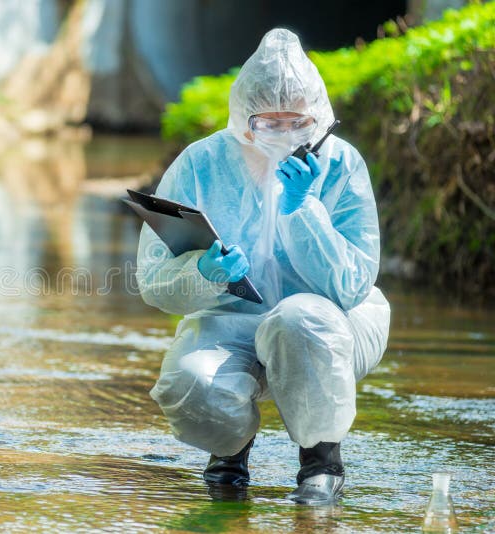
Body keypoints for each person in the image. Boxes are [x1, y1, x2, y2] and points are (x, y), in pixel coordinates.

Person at [135, 28, 391, 505]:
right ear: (243, 119)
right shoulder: (202, 164)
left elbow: (353, 285)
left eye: (298, 123)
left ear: (319, 119)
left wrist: (306, 209)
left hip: (332, 323)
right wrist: (203, 271)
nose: (285, 135)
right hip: (230, 318)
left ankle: (321, 459)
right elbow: (152, 280)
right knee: (191, 381)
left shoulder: (341, 165)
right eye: (269, 123)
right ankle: (229, 452)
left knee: (299, 318)